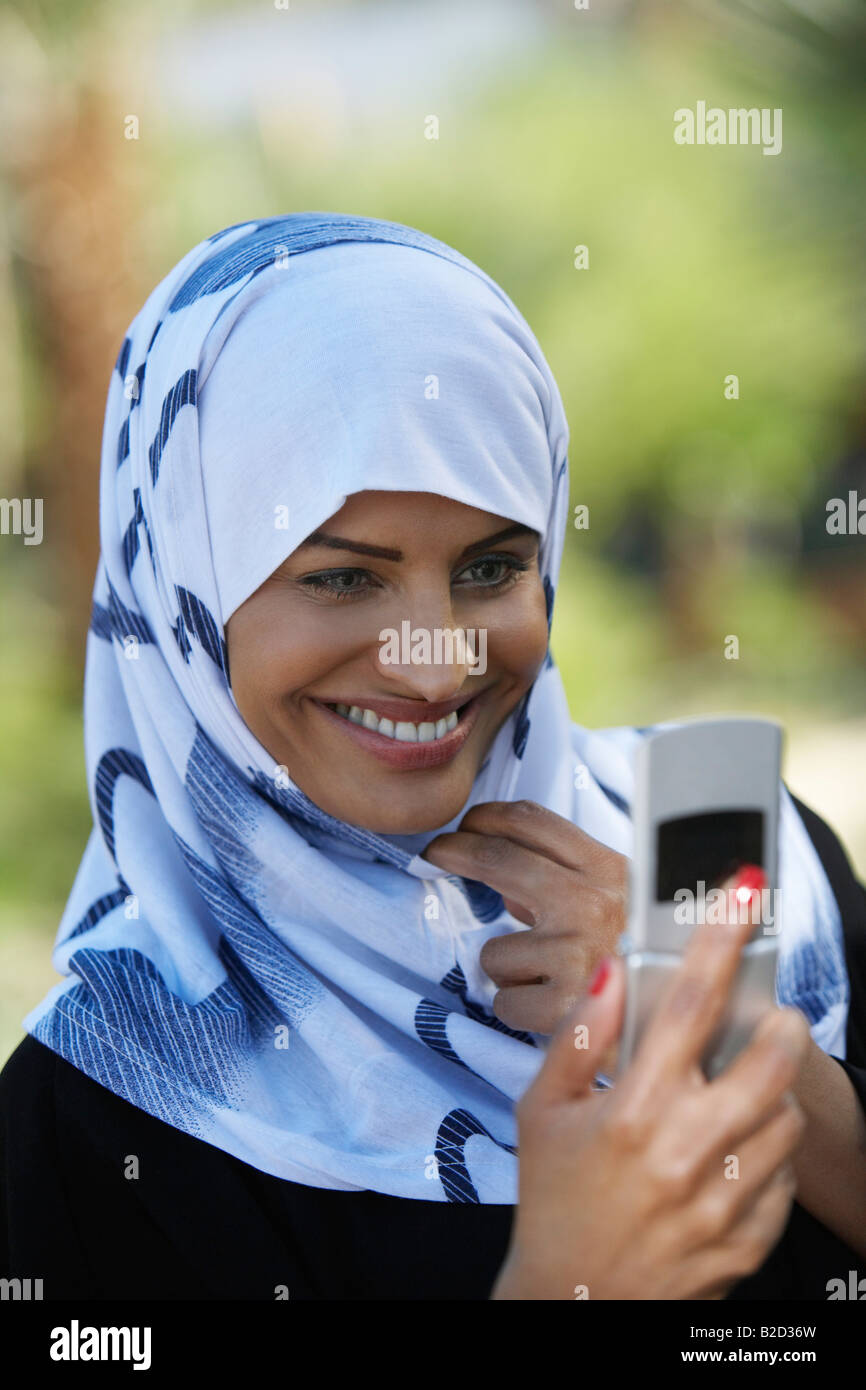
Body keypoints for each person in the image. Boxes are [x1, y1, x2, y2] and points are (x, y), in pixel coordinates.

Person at [1, 213, 864, 1300]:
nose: (433, 665)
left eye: (490, 567)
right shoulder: (109, 1099)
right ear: (185, 594)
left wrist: (719, 1021)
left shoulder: (720, 842)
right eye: (343, 577)